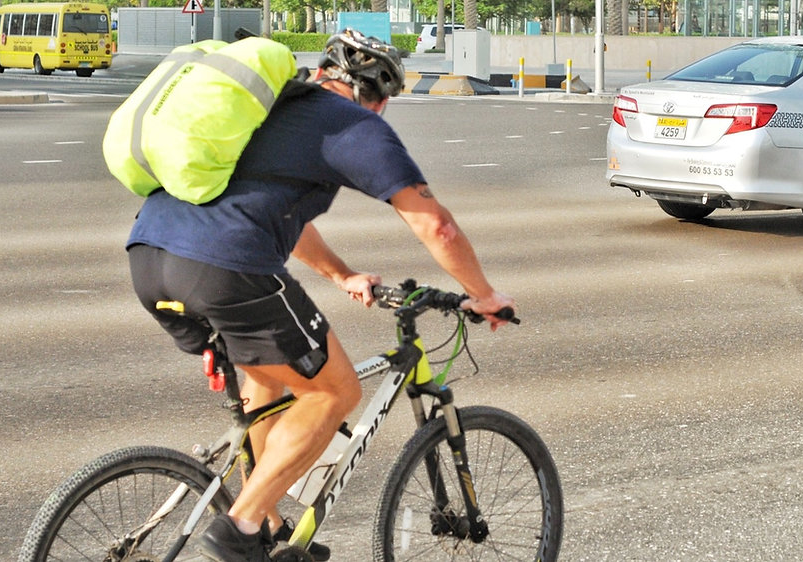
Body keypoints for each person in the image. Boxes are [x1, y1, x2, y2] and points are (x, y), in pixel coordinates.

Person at [126, 29, 515, 562]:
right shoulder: (353, 124)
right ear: (376, 93)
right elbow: (437, 227)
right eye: (386, 101)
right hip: (223, 267)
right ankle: (239, 527)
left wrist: (343, 275)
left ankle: (268, 528)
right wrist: (484, 294)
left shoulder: (272, 112)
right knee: (334, 393)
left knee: (269, 382)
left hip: (148, 256)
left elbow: (288, 221)